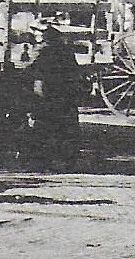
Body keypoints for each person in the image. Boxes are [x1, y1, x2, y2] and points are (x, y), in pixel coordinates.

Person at [18, 16, 81, 171]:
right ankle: (68, 159)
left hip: (47, 91)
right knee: (66, 125)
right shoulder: (66, 49)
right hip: (66, 93)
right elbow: (75, 70)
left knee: (44, 124)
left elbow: (31, 69)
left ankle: (42, 159)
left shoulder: (43, 49)